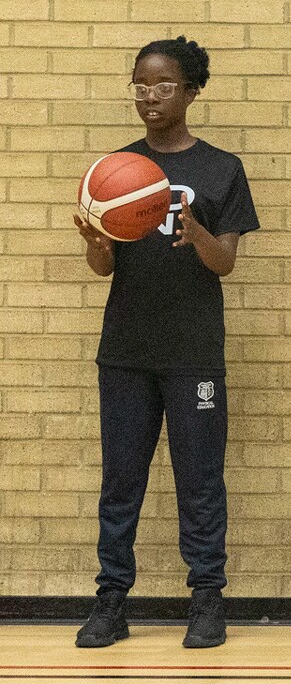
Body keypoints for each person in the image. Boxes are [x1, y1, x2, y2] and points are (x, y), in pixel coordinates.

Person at [74, 36, 259, 651]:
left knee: (200, 477)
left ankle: (207, 599)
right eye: (140, 85)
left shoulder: (220, 169)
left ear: (192, 91)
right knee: (120, 478)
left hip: (194, 351)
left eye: (163, 86)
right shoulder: (114, 170)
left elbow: (225, 262)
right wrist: (98, 246)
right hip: (126, 349)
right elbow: (105, 267)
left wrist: (196, 232)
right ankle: (111, 601)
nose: (150, 97)